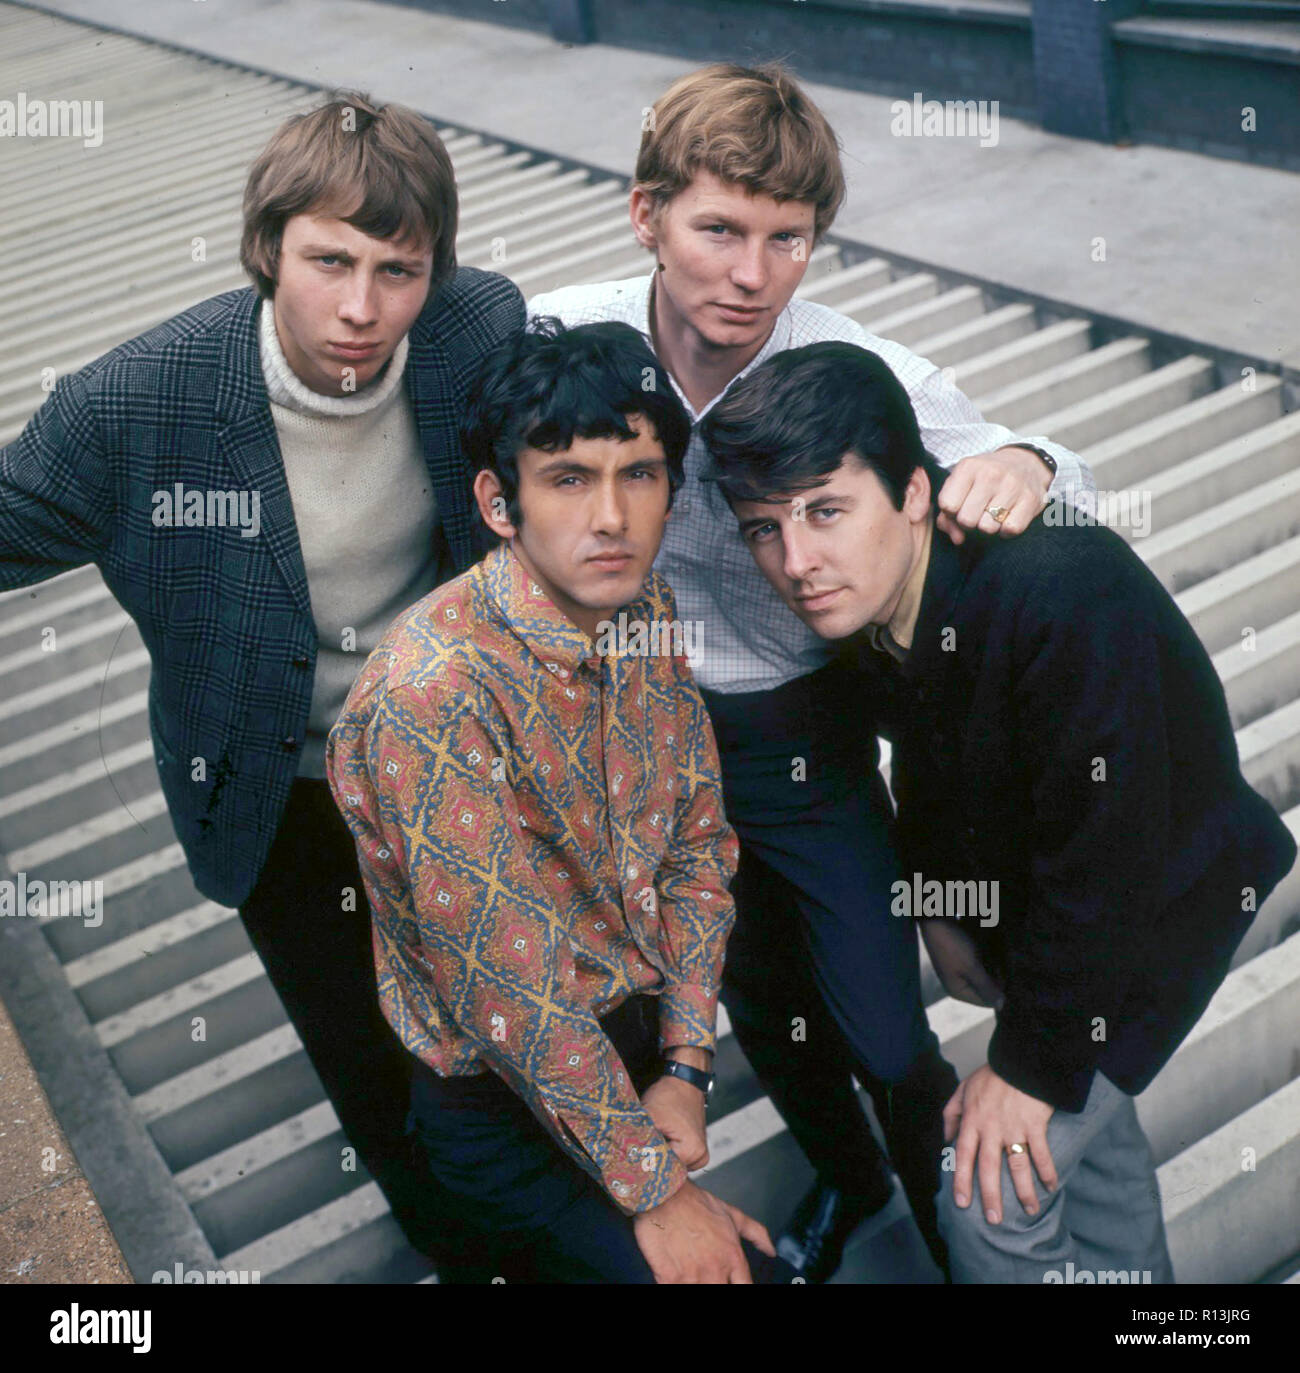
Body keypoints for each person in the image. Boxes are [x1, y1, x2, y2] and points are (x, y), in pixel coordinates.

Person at [527, 60, 1096, 1279]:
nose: (751, 273)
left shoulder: (851, 361)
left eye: (788, 239)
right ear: (647, 216)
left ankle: (961, 1220)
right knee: (755, 1004)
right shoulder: (563, 332)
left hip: (802, 733)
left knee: (885, 1025)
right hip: (642, 746)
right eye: (719, 229)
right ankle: (849, 1183)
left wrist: (1030, 464)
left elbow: (1035, 462)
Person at [0, 91, 524, 1270]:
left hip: (456, 768)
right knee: (371, 1063)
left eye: (398, 269)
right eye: (328, 260)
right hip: (283, 798)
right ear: (265, 248)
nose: (361, 307)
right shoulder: (141, 404)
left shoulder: (475, 327)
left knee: (513, 1022)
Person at [699, 339, 1297, 1283]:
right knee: (1090, 1159)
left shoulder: (1057, 591)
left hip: (1164, 894)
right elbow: (935, 757)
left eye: (824, 510)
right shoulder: (875, 592)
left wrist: (1027, 1072)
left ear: (911, 492)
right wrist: (942, 899)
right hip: (1056, 892)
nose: (796, 562)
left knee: (991, 1207)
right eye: (762, 529)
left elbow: (1109, 862)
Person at [326, 317, 795, 1283]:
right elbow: (512, 989)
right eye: (571, 478)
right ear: (500, 503)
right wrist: (661, 1190)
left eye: (642, 472)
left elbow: (698, 849)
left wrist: (687, 1063)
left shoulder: (646, 612)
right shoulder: (433, 695)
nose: (614, 516)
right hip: (502, 1101)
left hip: (635, 1054)